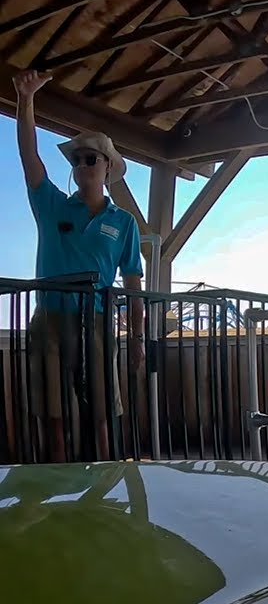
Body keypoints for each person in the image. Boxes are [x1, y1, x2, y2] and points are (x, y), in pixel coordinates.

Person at [14, 70, 145, 462]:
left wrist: (138, 338)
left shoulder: (124, 223)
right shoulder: (51, 205)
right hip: (51, 320)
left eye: (92, 158)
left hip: (100, 323)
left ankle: (104, 486)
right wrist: (25, 100)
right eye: (79, 159)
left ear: (108, 168)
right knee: (51, 415)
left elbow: (134, 283)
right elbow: (28, 157)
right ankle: (55, 491)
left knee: (103, 414)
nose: (84, 164)